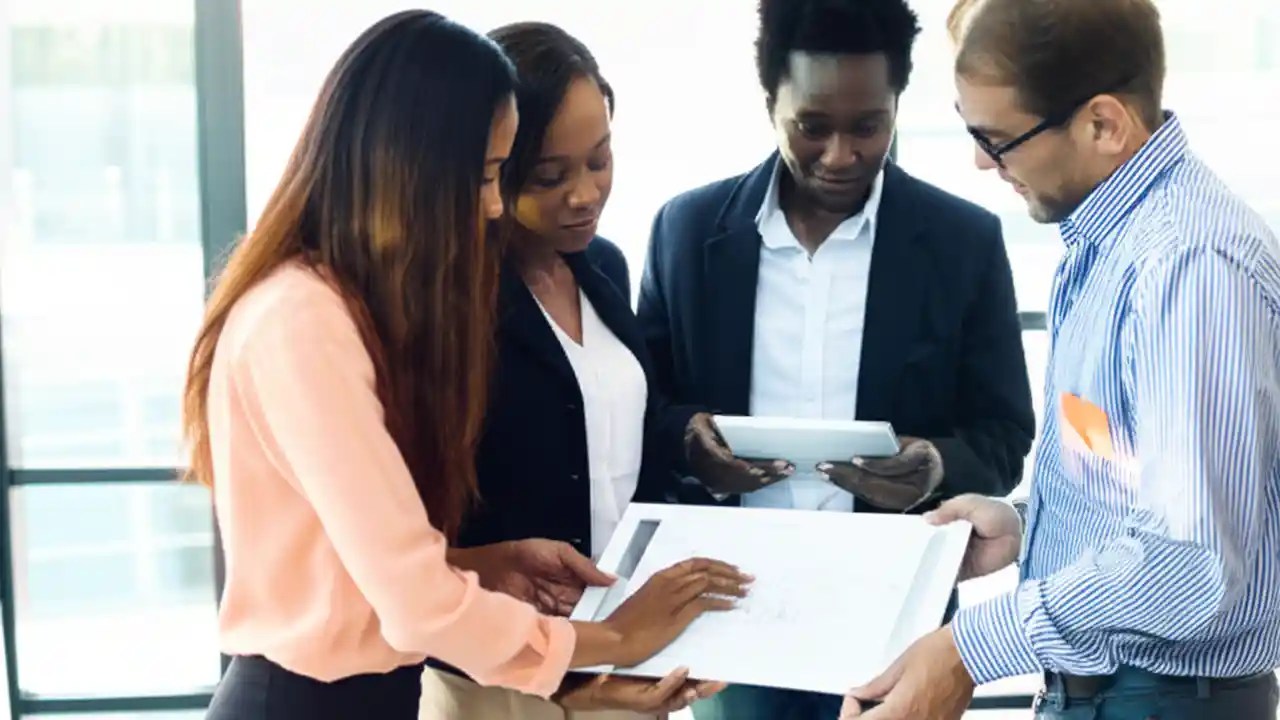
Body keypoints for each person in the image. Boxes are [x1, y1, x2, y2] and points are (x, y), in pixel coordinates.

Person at [181, 12, 749, 720]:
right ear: (406, 168)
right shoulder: (301, 321)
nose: (489, 206)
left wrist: (482, 565)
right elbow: (411, 602)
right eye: (485, 176)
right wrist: (613, 638)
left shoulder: (339, 307)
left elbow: (350, 571)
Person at [841, 1, 1280, 719]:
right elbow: (1142, 490)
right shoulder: (1114, 244)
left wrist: (969, 649)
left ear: (1103, 125)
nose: (982, 162)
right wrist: (1028, 524)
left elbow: (1190, 564)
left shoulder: (1188, 265)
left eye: (998, 138)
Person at [636, 0, 1035, 717]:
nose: (841, 154)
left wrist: (935, 468)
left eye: (868, 126)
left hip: (897, 616)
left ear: (896, 108)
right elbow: (645, 415)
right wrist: (690, 446)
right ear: (770, 104)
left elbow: (1004, 437)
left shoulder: (962, 243)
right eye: (812, 127)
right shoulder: (686, 233)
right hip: (732, 615)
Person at [417, 21, 730, 720]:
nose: (585, 194)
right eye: (549, 176)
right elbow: (416, 530)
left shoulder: (603, 268)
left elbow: (622, 432)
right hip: (500, 680)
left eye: (600, 159)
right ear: (492, 168)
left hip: (619, 660)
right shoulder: (445, 303)